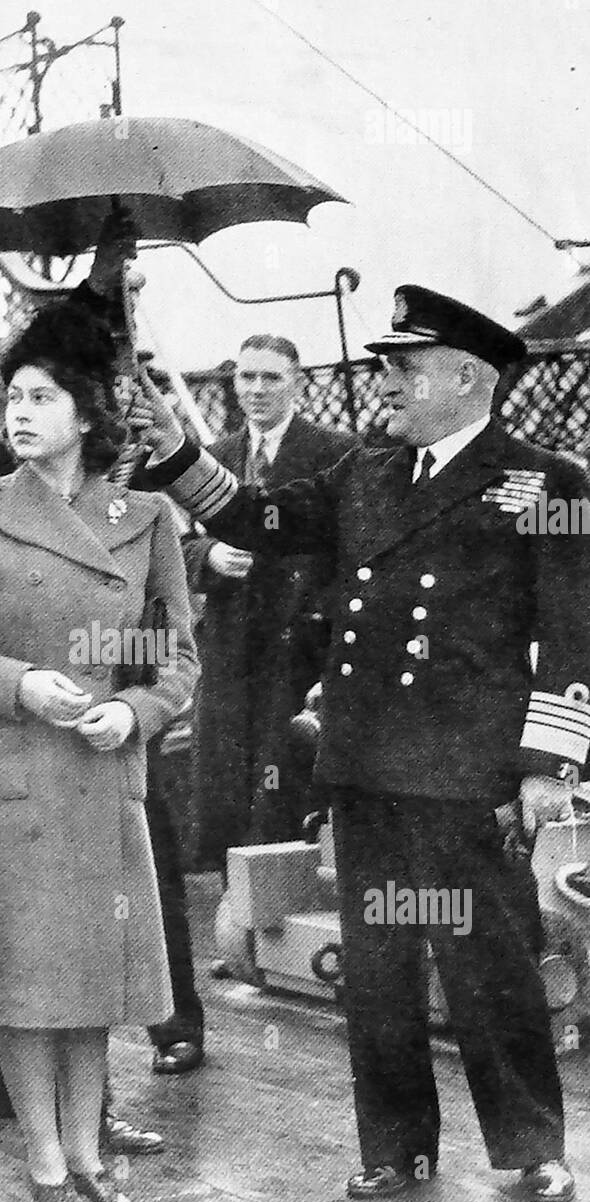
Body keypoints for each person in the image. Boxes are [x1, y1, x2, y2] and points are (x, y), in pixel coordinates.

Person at [133, 284, 590, 1202]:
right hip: (366, 761)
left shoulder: (549, 482)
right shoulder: (365, 474)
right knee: (376, 967)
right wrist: (178, 455)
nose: (386, 382)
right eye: (385, 364)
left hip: (472, 773)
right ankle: (396, 1147)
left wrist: (550, 765)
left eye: (403, 367)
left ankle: (531, 1146)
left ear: (467, 376)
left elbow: (579, 627)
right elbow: (258, 519)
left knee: (488, 963)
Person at [0, 300, 199, 1202]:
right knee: (27, 989)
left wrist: (136, 709)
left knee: (91, 985)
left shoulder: (146, 517)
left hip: (104, 775)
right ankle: (44, 1165)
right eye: (14, 398)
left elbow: (176, 662)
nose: (20, 415)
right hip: (7, 776)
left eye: (42, 397)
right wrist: (21, 682)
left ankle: (89, 1159)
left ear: (87, 413)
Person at [184, 334, 357, 870]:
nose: (256, 390)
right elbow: (179, 543)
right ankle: (234, 912)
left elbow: (356, 553)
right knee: (226, 778)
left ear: (298, 383)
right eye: (246, 377)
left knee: (284, 779)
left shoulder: (338, 453)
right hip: (232, 645)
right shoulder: (214, 458)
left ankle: (279, 912)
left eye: (271, 378)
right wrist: (209, 555)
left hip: (301, 646)